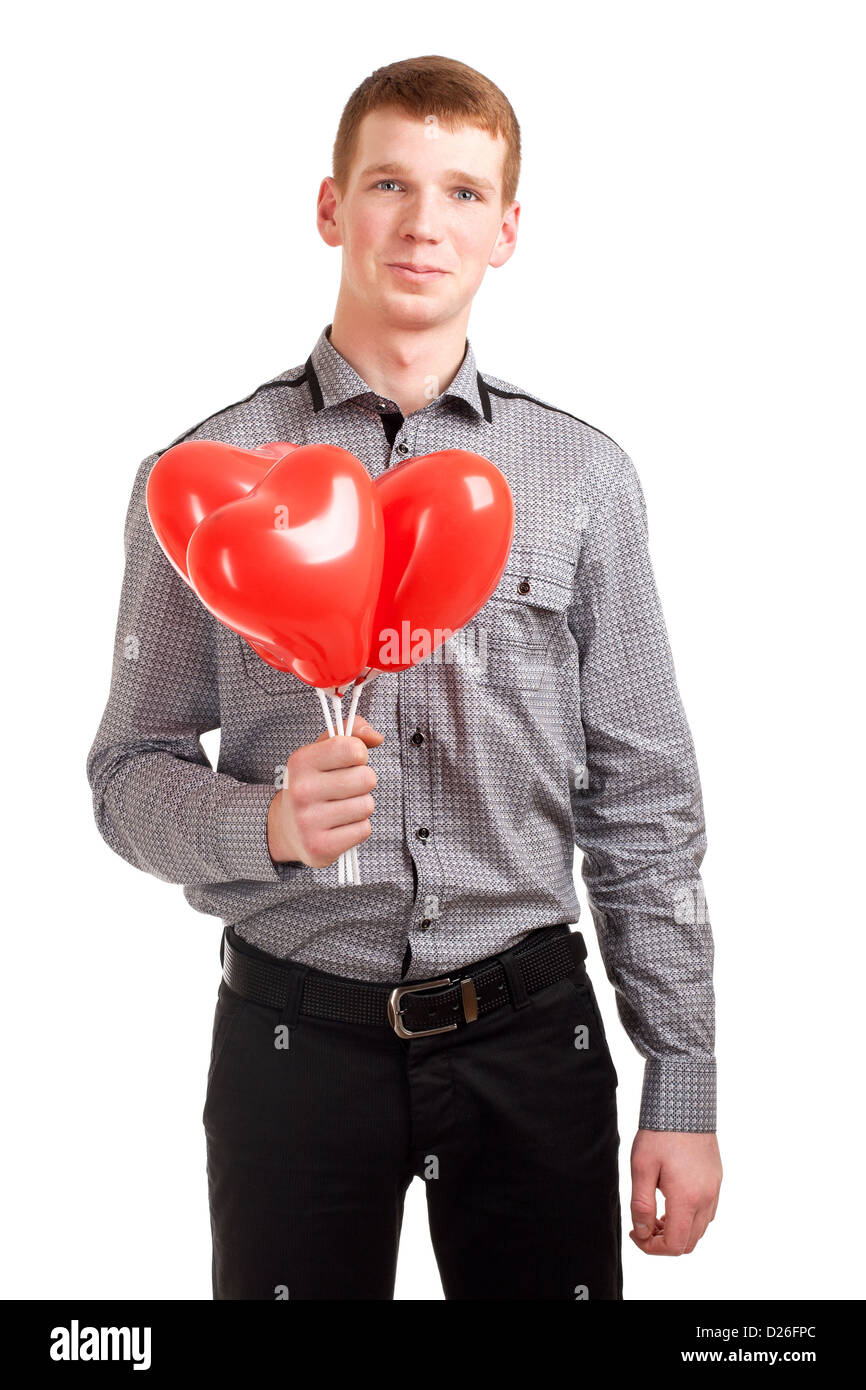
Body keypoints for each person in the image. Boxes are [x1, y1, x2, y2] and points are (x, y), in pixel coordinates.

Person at [86, 53, 722, 1301]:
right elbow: (123, 775)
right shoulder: (205, 473)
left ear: (506, 229)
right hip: (291, 1040)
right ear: (331, 208)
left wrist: (682, 1081)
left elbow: (644, 801)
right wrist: (257, 822)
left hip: (534, 1038)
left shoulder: (583, 477)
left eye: (462, 193)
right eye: (388, 184)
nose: (423, 224)